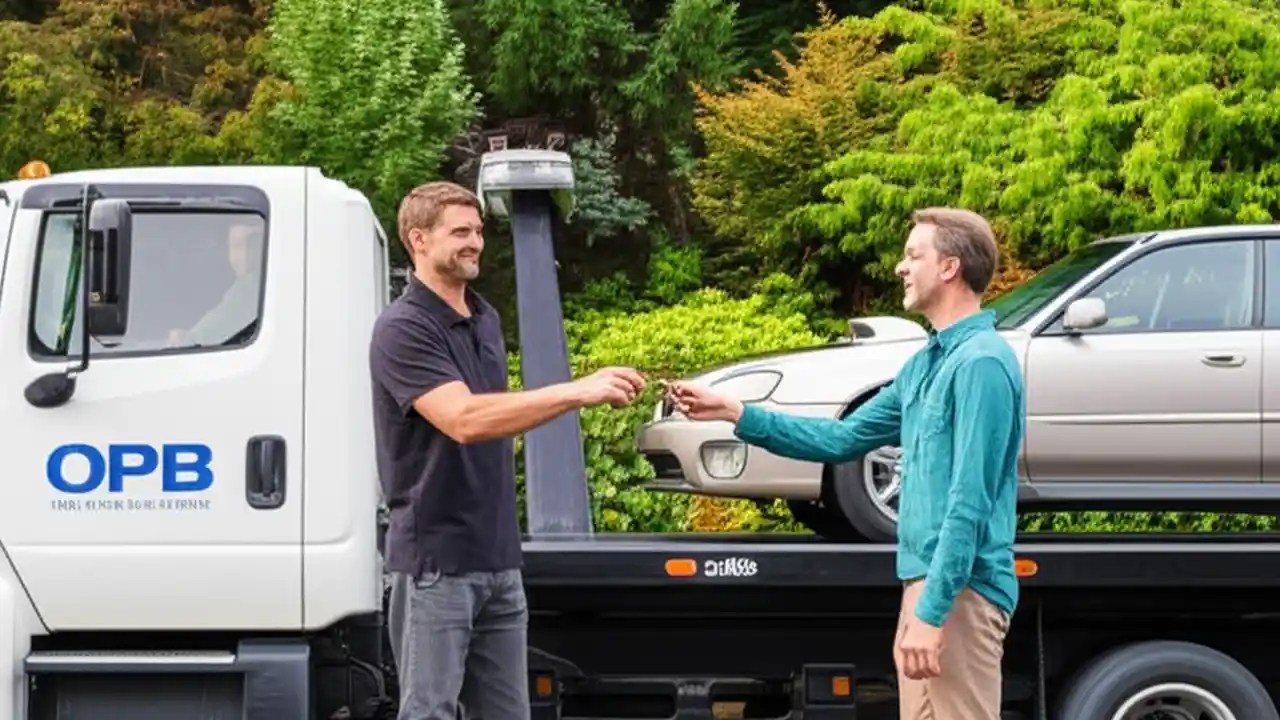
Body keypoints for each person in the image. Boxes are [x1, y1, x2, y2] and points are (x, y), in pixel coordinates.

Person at [669, 207, 1024, 720]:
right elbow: (843, 438)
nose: (901, 267)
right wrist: (735, 412)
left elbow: (969, 503)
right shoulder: (926, 365)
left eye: (913, 255)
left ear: (950, 267)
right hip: (927, 588)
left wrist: (931, 612)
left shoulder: (981, 363)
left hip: (959, 594)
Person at [369, 181, 646, 720]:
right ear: (418, 240)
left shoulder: (485, 318)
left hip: (498, 558)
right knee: (429, 713)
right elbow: (465, 419)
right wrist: (576, 391)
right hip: (436, 564)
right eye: (460, 232)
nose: (475, 242)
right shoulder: (402, 329)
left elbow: (500, 412)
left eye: (478, 231)